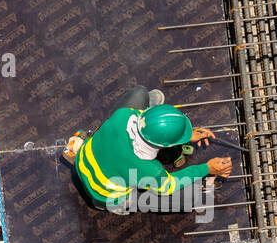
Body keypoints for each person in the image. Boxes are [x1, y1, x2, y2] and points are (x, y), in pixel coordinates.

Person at [62, 84, 231, 214]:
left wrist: (183, 135)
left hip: (83, 160)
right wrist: (207, 168)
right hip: (101, 197)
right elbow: (170, 186)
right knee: (190, 198)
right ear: (164, 146)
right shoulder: (149, 169)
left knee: (139, 93)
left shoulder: (123, 116)